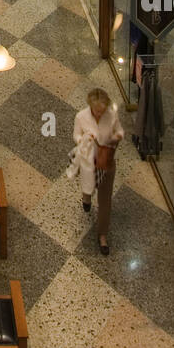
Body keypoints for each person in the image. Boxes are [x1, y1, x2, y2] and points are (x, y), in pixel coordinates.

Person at [68, 88, 124, 255]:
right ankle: (86, 197)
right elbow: (76, 135)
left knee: (105, 200)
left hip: (106, 161)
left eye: (102, 110)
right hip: (89, 161)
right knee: (89, 187)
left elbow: (120, 131)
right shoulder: (81, 117)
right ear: (91, 107)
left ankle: (102, 235)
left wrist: (114, 138)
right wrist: (85, 139)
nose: (100, 114)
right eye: (97, 110)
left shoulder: (111, 116)